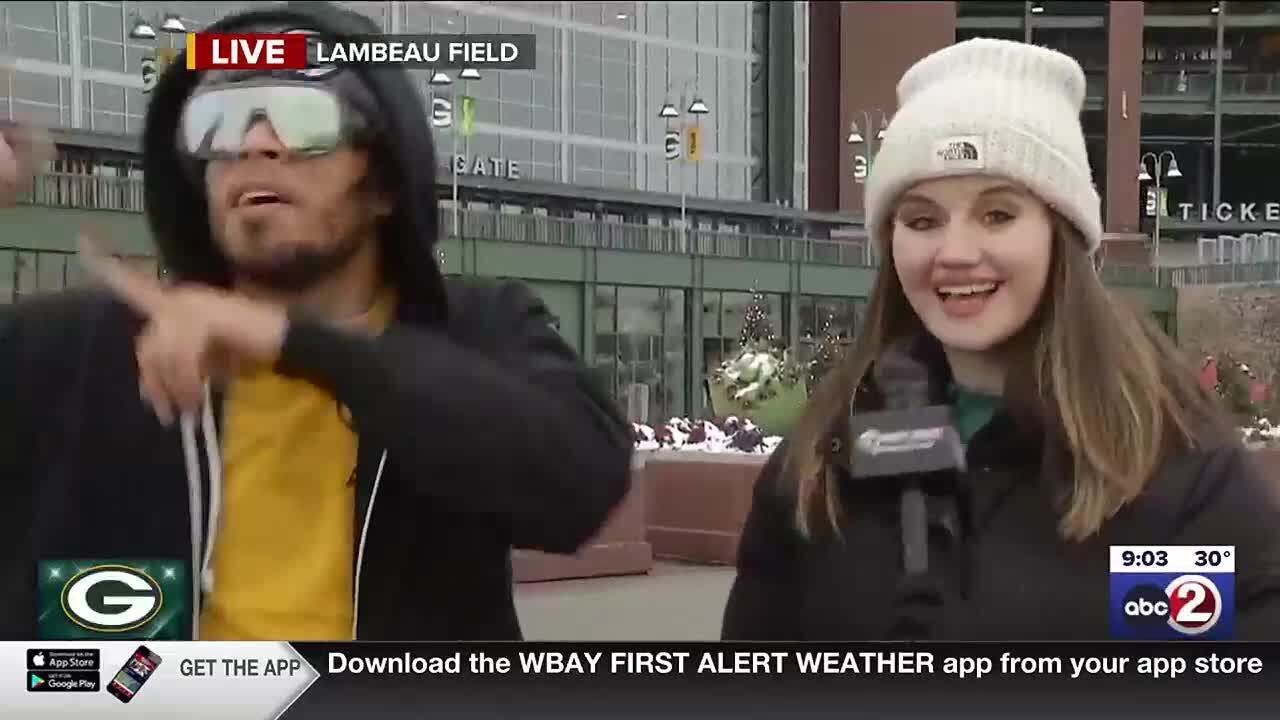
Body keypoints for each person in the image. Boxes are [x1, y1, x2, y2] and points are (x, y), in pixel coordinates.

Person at [0, 2, 633, 641]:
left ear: (383, 183)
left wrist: (294, 345)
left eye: (302, 119)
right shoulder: (79, 349)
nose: (254, 144)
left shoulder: (475, 328)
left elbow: (579, 489)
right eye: (217, 123)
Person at [721, 38, 1280, 640]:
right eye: (923, 220)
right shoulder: (818, 468)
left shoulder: (1176, 468)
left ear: (1060, 235)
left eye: (997, 215)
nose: (955, 253)